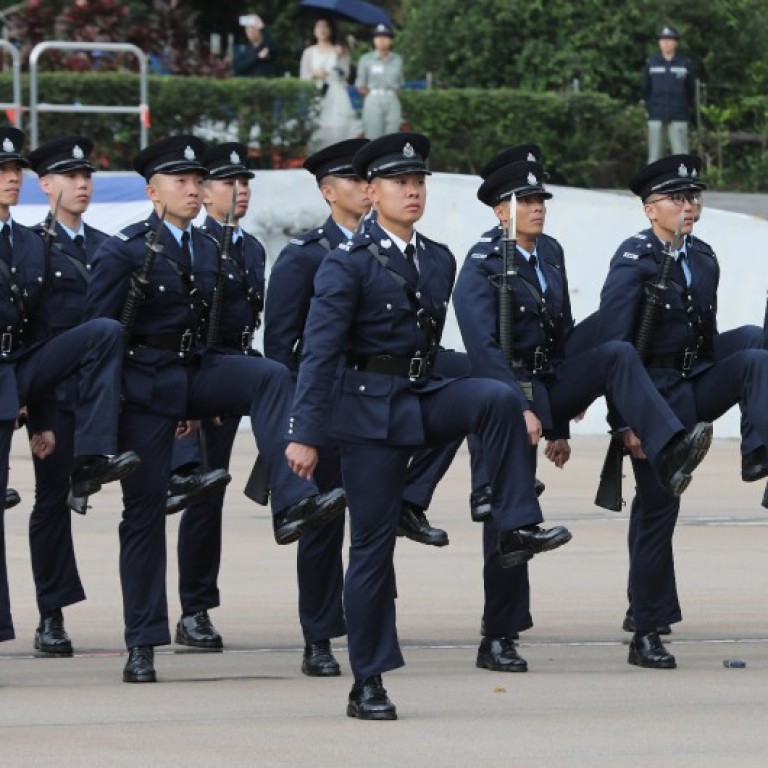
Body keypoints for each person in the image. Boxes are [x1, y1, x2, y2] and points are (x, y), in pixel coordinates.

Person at [285, 132, 574, 720]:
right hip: (366, 414)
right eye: (399, 182)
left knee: (495, 397)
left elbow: (434, 346)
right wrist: (304, 432)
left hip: (417, 395)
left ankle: (516, 521)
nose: (412, 191)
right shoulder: (347, 264)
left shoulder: (438, 257)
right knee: (370, 550)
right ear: (370, 192)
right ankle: (368, 680)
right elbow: (318, 353)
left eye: (419, 182)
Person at [84, 135, 345, 683]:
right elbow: (99, 342)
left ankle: (292, 502)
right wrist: (102, 426)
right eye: (179, 181)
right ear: (154, 191)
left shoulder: (216, 248)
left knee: (271, 374)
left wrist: (213, 398)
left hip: (197, 371)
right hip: (147, 386)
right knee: (144, 514)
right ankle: (143, 643)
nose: (191, 188)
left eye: (195, 180)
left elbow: (224, 331)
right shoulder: (124, 250)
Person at [452, 147, 715, 673]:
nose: (538, 207)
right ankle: (498, 634)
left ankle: (665, 449)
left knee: (614, 349)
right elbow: (483, 350)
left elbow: (563, 336)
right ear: (500, 210)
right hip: (505, 389)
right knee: (508, 513)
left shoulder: (549, 251)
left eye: (540, 198)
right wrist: (522, 410)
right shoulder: (481, 264)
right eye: (526, 200)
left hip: (548, 383)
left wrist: (564, 416)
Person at [265, 138, 452, 676]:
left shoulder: (413, 252)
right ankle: (320, 635)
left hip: (382, 405)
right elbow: (284, 350)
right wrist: (301, 423)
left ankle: (372, 633)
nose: (362, 187)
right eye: (351, 179)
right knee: (323, 528)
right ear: (331, 192)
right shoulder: (305, 256)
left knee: (372, 526)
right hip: (327, 408)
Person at [598, 153, 768, 668]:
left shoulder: (705, 257)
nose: (689, 206)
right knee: (658, 508)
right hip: (652, 394)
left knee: (757, 352)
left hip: (693, 379)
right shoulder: (634, 259)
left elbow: (709, 339)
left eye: (694, 197)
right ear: (651, 210)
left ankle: (758, 453)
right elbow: (613, 351)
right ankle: (646, 630)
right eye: (677, 198)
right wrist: (625, 421)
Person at [0, 126, 140, 646]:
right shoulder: (34, 245)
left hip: (100, 393)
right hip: (51, 395)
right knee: (51, 500)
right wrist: (34, 413)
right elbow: (35, 337)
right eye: (69, 175)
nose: (81, 184)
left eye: (87, 175)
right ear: (46, 184)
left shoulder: (110, 247)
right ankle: (51, 614)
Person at [171, 141, 265, 650]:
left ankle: (273, 483)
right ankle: (195, 610)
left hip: (238, 365)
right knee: (203, 496)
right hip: (201, 371)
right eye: (230, 183)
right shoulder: (196, 243)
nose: (240, 191)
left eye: (245, 182)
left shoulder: (252, 249)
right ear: (204, 193)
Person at [300, 18, 359, 151]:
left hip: (336, 93)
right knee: (316, 129)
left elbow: (346, 74)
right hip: (316, 94)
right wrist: (314, 73)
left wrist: (339, 57)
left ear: (330, 30)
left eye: (325, 27)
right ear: (314, 31)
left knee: (338, 128)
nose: (322, 30)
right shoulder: (309, 52)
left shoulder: (339, 50)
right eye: (319, 27)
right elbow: (302, 77)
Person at [643, 26, 696, 163]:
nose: (666, 43)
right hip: (656, 112)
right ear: (659, 43)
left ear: (675, 43)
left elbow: (690, 89)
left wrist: (685, 106)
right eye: (663, 40)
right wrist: (650, 108)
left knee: (681, 154)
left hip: (678, 112)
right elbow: (646, 89)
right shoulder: (651, 63)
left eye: (669, 40)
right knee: (654, 154)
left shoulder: (685, 64)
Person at [354, 24, 403, 140]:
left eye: (385, 37)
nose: (381, 40)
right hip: (373, 99)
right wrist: (373, 96)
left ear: (391, 40)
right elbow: (360, 85)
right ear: (374, 40)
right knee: (373, 137)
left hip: (392, 99)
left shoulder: (397, 59)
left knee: (392, 136)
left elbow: (400, 84)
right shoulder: (366, 59)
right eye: (378, 37)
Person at [233, 14, 279, 78]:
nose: (250, 31)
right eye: (247, 29)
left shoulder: (267, 47)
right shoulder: (242, 49)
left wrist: (263, 28)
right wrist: (257, 57)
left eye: (253, 28)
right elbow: (237, 68)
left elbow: (275, 50)